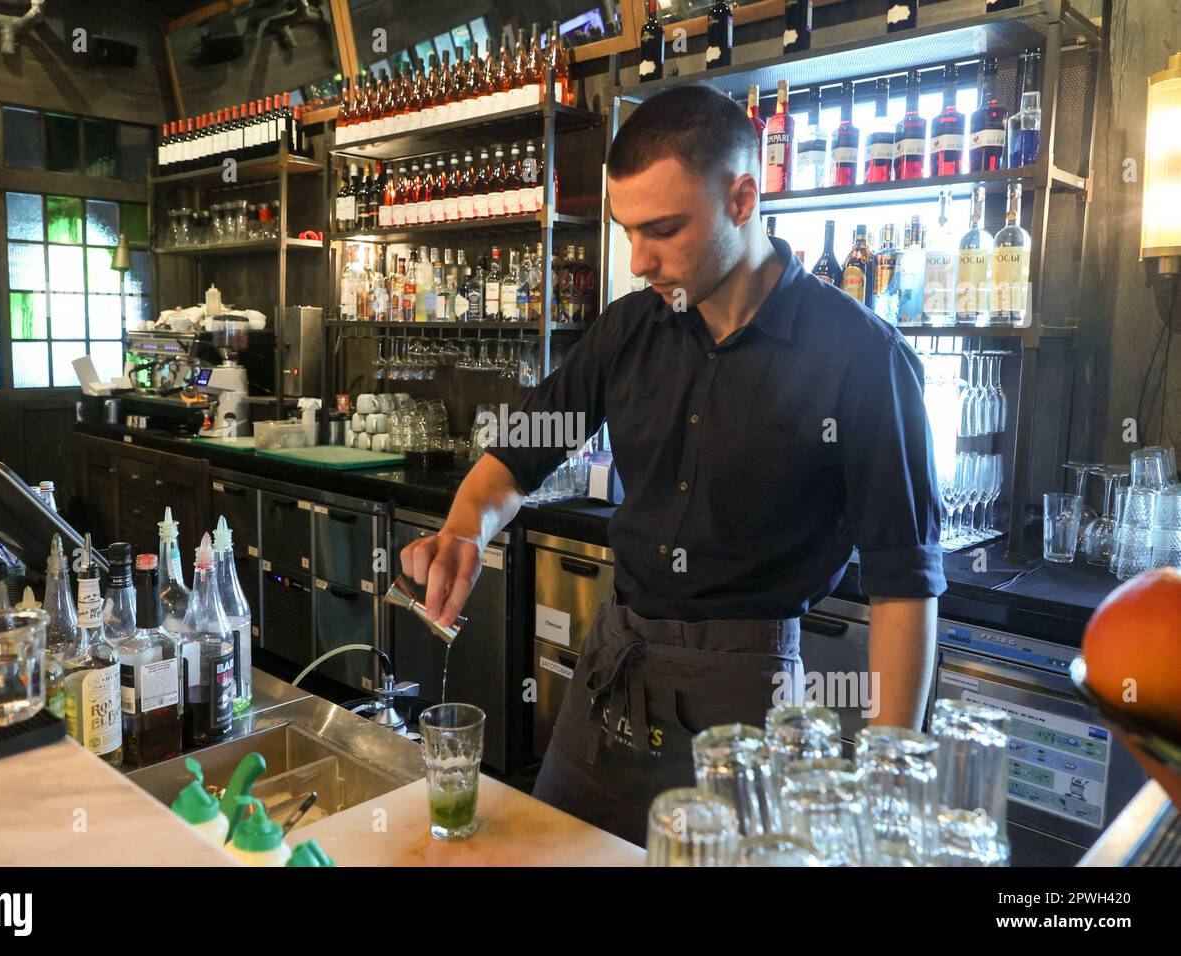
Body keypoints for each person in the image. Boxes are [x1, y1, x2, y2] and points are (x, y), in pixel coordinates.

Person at [400, 85, 945, 846]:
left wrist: (890, 780)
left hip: (746, 705)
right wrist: (466, 528)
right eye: (628, 230)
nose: (638, 260)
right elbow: (518, 458)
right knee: (548, 854)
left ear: (744, 198)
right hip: (611, 673)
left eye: (663, 230)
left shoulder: (860, 357)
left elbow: (904, 584)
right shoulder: (631, 328)